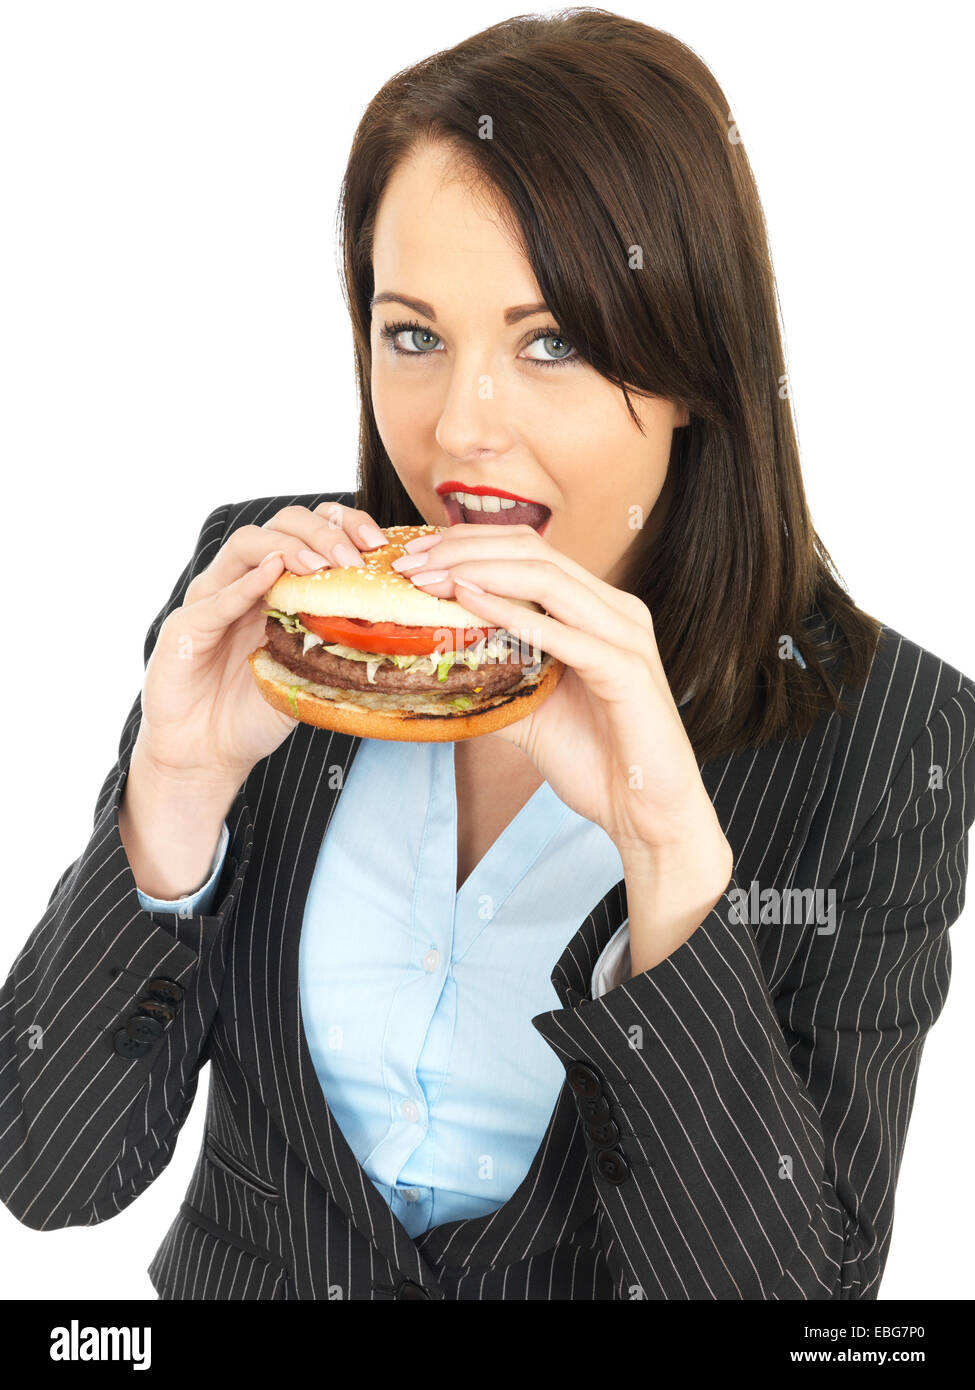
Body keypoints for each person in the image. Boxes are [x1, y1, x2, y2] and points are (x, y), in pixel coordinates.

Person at [2, 10, 973, 1301]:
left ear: (693, 361)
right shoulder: (273, 607)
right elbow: (50, 1170)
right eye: (414, 335)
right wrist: (172, 793)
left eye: (552, 341)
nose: (462, 427)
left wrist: (672, 863)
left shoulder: (889, 734)